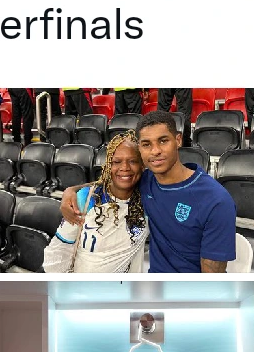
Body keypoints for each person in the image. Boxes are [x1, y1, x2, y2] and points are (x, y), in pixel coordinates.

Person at [61, 111, 237, 273]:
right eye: (146, 144)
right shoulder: (146, 180)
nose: (155, 151)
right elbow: (111, 180)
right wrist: (72, 190)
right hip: (153, 283)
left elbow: (212, 279)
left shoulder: (216, 201)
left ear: (178, 140)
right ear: (140, 148)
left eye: (163, 141)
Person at [43, 132, 149, 273]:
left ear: (142, 166)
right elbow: (60, 250)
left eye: (133, 161)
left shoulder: (149, 198)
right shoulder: (86, 198)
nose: (125, 168)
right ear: (108, 167)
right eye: (117, 162)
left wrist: (72, 188)